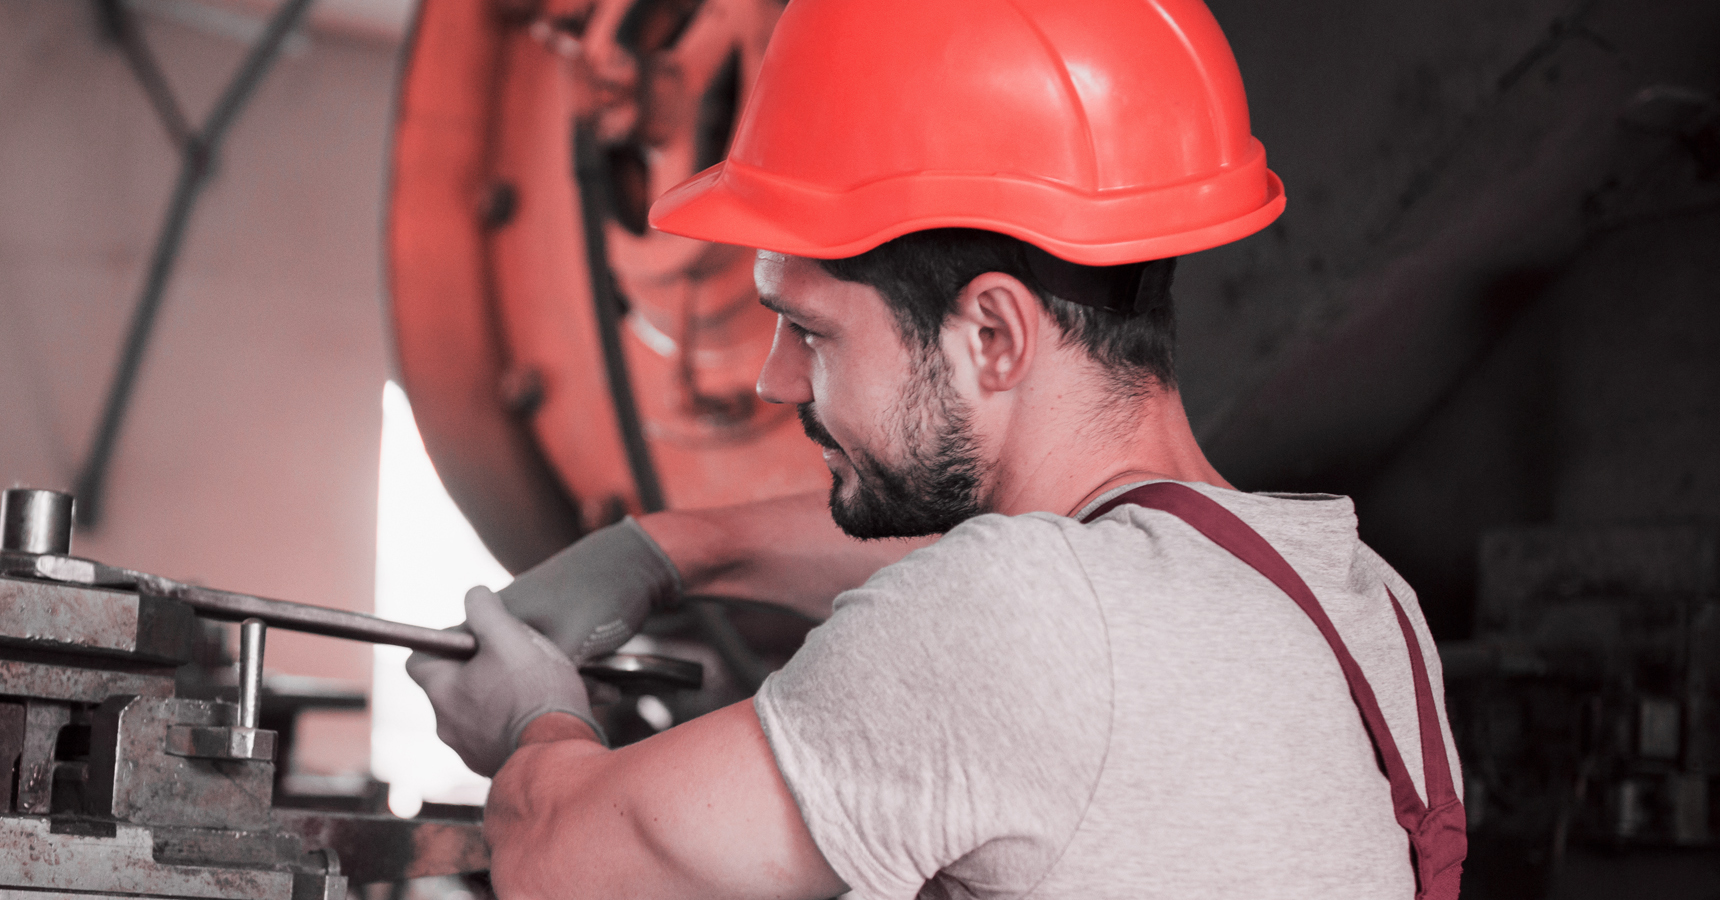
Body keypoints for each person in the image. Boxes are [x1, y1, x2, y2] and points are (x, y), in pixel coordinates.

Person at [403, 0, 1467, 897]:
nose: (775, 379)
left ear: (991, 336)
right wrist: (677, 550)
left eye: (811, 329)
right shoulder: (1356, 606)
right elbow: (1041, 588)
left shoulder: (1016, 621)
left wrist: (531, 719)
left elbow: (567, 854)